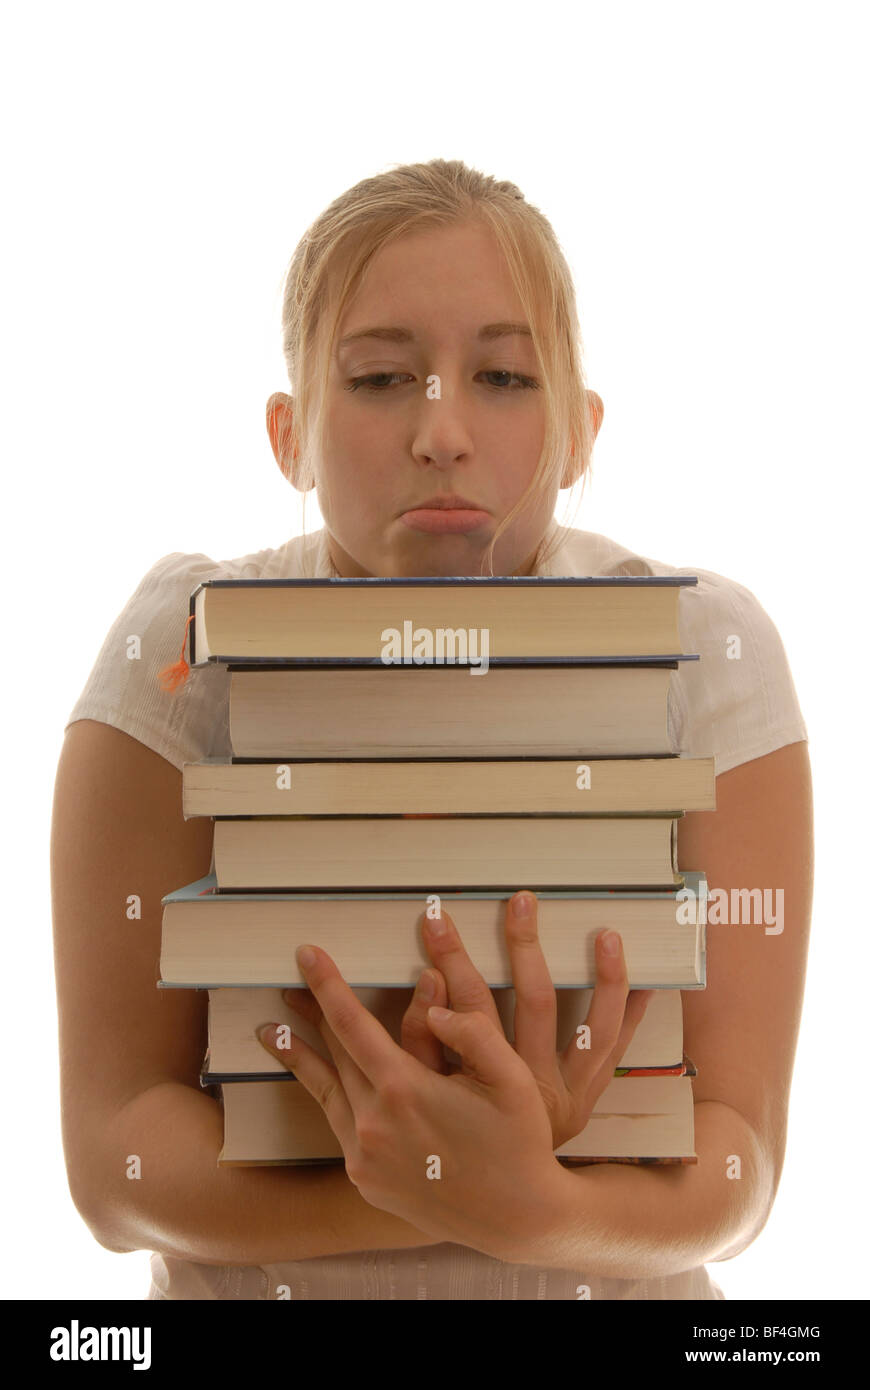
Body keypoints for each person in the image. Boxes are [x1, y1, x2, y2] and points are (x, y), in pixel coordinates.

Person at [51, 158, 812, 1300]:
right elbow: (114, 1161)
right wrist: (445, 1181)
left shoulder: (708, 655)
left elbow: (741, 1165)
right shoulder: (184, 644)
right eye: (378, 380)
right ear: (290, 433)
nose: (443, 431)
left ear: (580, 431)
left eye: (505, 375)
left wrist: (535, 1206)